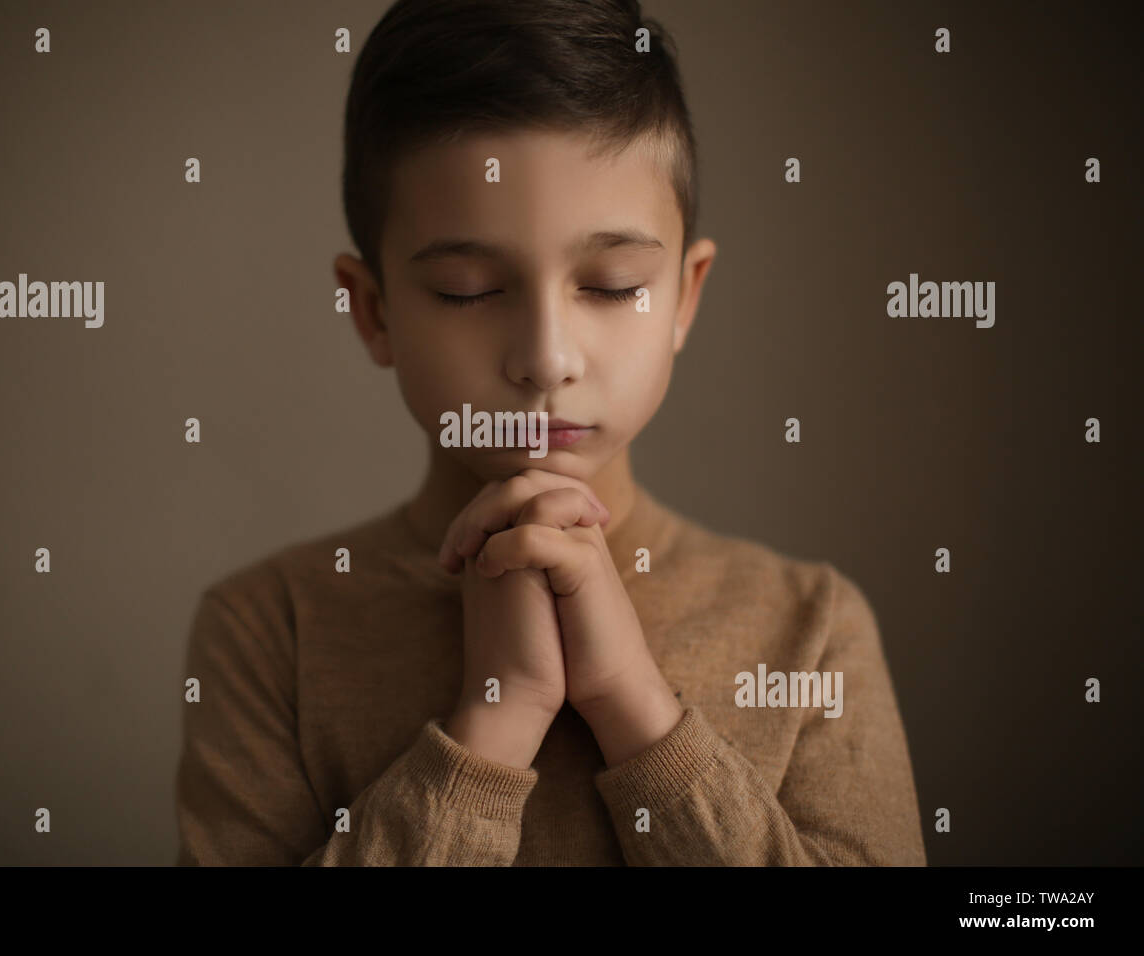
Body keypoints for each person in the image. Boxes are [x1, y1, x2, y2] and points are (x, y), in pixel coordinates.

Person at [174, 0, 927, 866]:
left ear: (685, 296)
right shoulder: (273, 630)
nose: (546, 358)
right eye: (465, 290)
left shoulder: (811, 627)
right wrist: (493, 726)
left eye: (609, 286)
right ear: (373, 310)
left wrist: (636, 711)